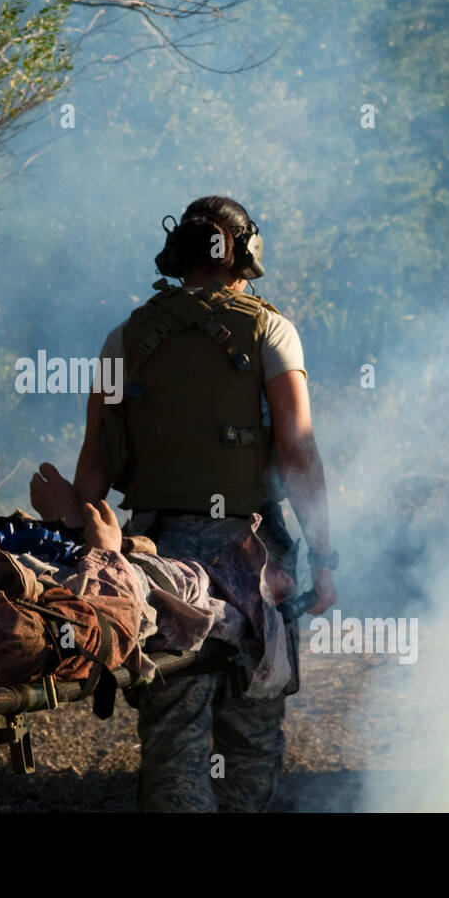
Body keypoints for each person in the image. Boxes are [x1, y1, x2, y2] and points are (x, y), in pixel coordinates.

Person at [49, 194, 338, 812]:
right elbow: (298, 451)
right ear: (247, 253)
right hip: (255, 564)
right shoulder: (270, 329)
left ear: (176, 253)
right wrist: (327, 557)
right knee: (250, 738)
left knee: (174, 738)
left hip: (155, 563)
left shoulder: (124, 338)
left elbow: (94, 463)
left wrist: (87, 566)